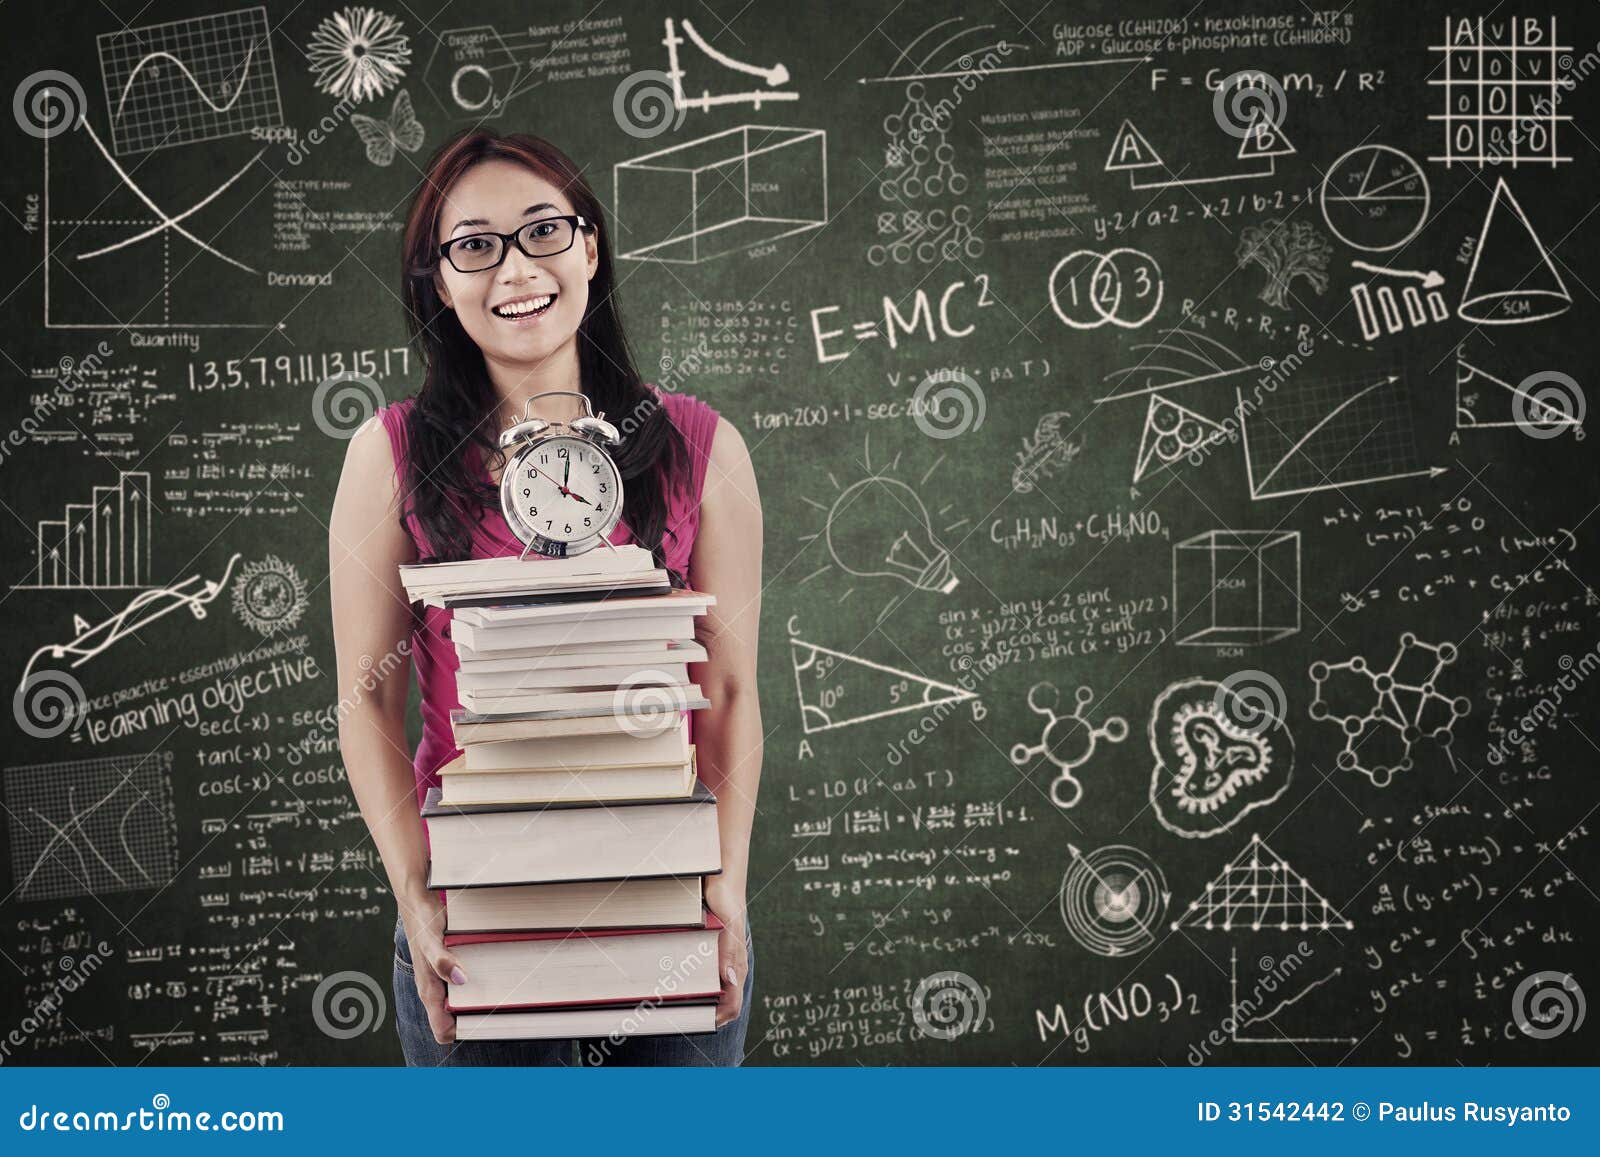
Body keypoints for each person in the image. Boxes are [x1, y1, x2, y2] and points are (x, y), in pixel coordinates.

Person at [328, 129, 764, 1065]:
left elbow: (727, 694)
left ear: (591, 246)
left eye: (541, 232)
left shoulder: (698, 446)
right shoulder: (390, 455)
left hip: (665, 901)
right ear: (439, 282)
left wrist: (725, 884)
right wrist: (418, 896)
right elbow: (368, 695)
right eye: (474, 245)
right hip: (474, 910)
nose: (514, 268)